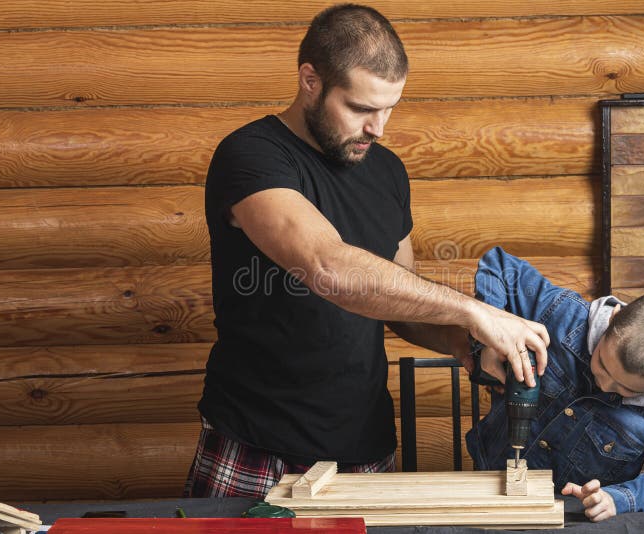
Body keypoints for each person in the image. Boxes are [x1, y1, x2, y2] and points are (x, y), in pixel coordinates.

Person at [184, 4, 550, 499]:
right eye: (360, 108)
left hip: (366, 446)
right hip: (256, 445)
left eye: (389, 107)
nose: (378, 127)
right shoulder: (251, 155)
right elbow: (327, 267)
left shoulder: (387, 171)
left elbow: (402, 307)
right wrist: (473, 310)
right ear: (310, 80)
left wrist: (470, 346)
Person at [466, 247, 644, 522]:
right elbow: (499, 265)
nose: (604, 385)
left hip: (569, 517)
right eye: (602, 364)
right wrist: (490, 334)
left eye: (626, 389)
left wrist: (619, 499)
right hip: (488, 478)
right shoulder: (563, 316)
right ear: (614, 318)